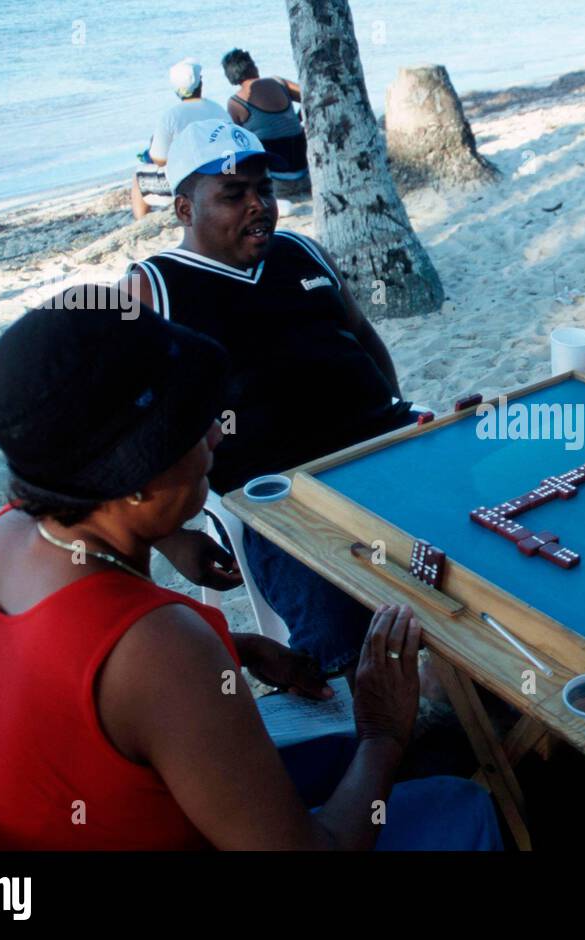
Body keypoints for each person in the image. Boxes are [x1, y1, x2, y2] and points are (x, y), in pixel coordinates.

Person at [0, 287, 501, 850]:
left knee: (334, 747)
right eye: (189, 425)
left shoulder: (6, 534)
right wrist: (384, 733)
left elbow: (74, 678)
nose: (214, 433)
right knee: (464, 803)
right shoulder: (160, 650)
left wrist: (230, 646)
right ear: (132, 482)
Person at [120, 120, 414, 686]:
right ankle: (375, 725)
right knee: (339, 632)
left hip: (383, 450)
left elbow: (365, 339)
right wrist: (172, 537)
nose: (259, 206)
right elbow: (121, 425)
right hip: (280, 495)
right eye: (234, 195)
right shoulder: (152, 289)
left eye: (266, 190)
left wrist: (398, 414)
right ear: (184, 210)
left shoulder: (302, 253)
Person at [132, 59, 228, 220]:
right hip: (218, 175)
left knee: (138, 178)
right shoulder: (218, 109)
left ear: (176, 90)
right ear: (200, 84)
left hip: (186, 182)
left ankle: (141, 221)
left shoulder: (171, 116)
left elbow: (159, 159)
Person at [222, 48, 311, 197]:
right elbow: (312, 95)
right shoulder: (279, 82)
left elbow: (235, 144)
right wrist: (298, 118)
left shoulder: (235, 102)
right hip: (307, 173)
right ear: (253, 66)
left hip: (275, 182)